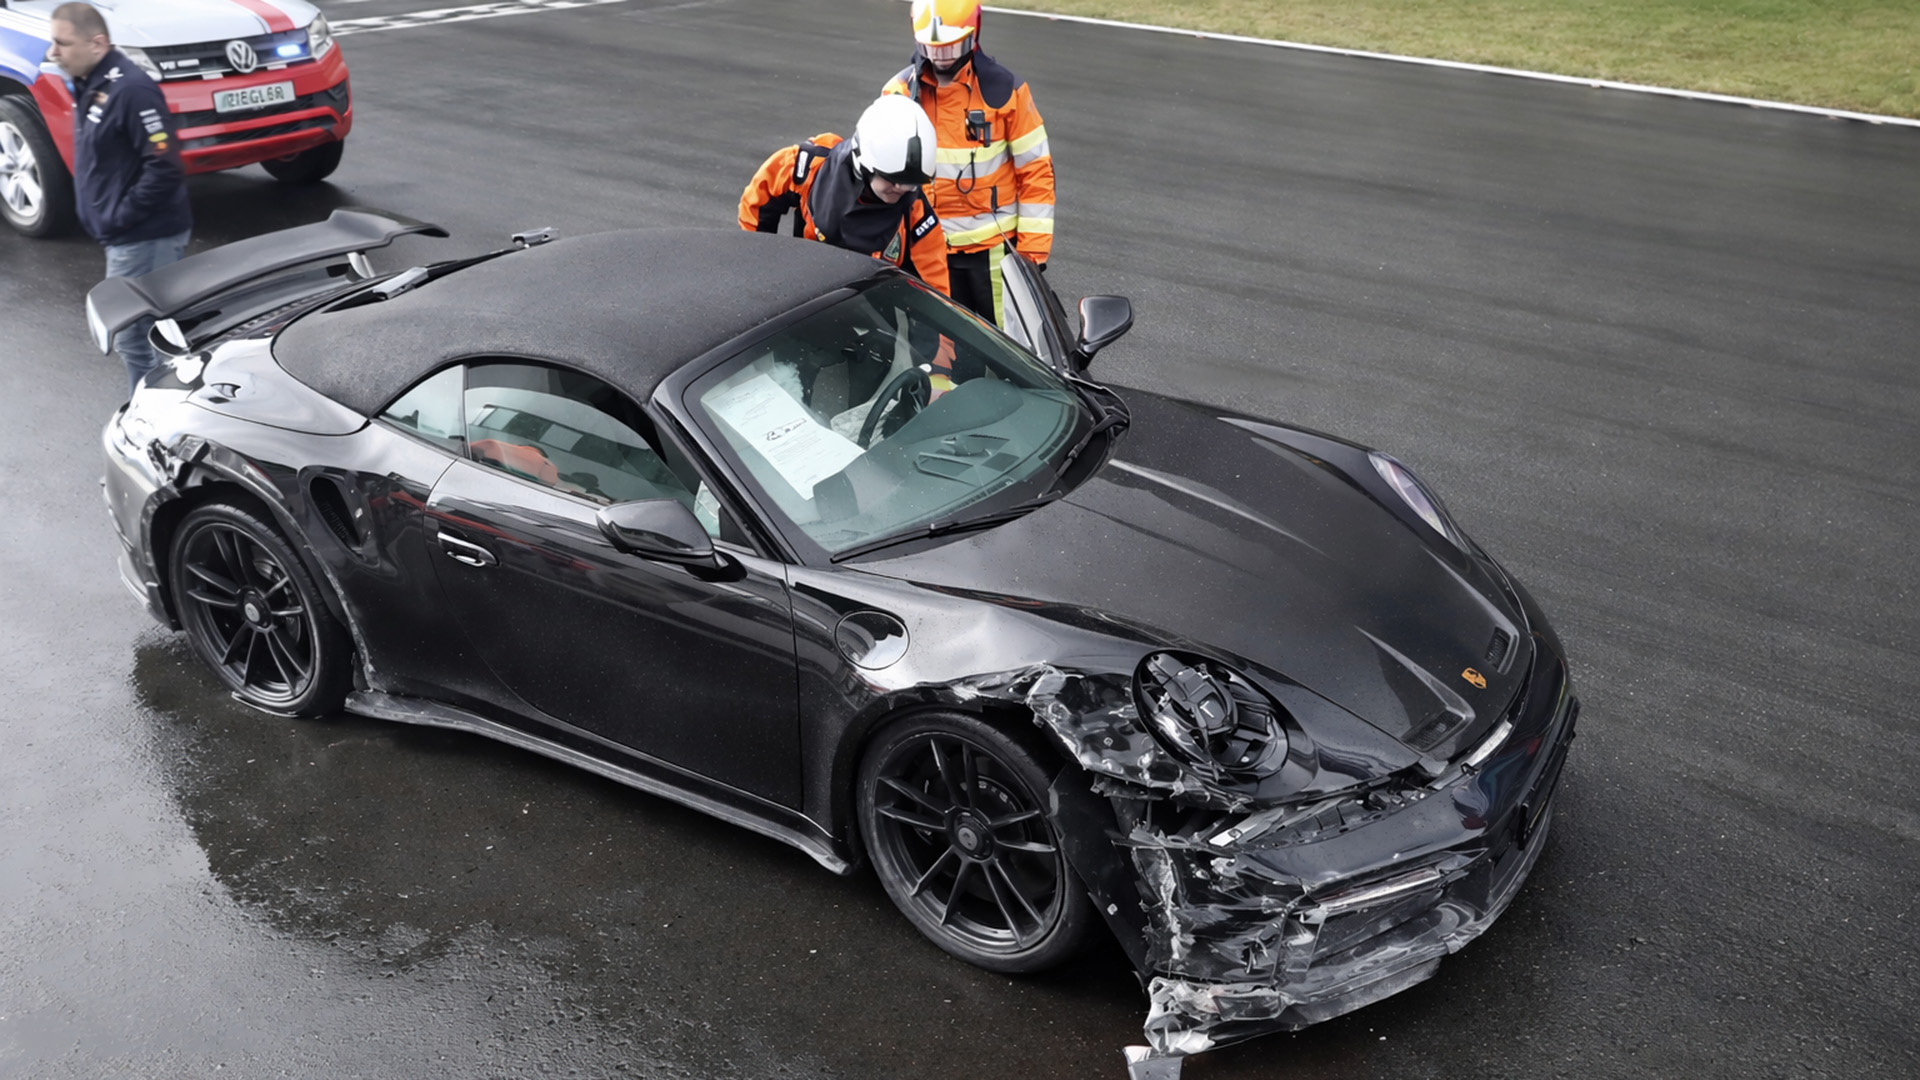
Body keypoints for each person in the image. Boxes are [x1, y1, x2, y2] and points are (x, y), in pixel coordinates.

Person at [46, 1, 192, 396]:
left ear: (97, 44)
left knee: (137, 339)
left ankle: (152, 420)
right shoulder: (93, 83)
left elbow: (164, 166)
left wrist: (119, 216)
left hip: (144, 237)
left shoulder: (131, 90)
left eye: (62, 43)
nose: (53, 52)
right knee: (144, 337)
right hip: (126, 236)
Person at [883, 0, 1054, 327]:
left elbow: (1036, 173)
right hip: (927, 249)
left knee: (1007, 341)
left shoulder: (1007, 93)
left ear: (973, 36)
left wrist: (1032, 255)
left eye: (950, 48)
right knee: (935, 341)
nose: (940, 58)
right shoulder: (898, 94)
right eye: (931, 48)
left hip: (993, 254)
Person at [738, 94, 950, 298]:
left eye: (911, 182)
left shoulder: (914, 211)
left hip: (871, 304)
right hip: (804, 293)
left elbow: (935, 287)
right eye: (892, 179)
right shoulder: (812, 168)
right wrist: (762, 267)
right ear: (864, 165)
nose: (901, 188)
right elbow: (758, 200)